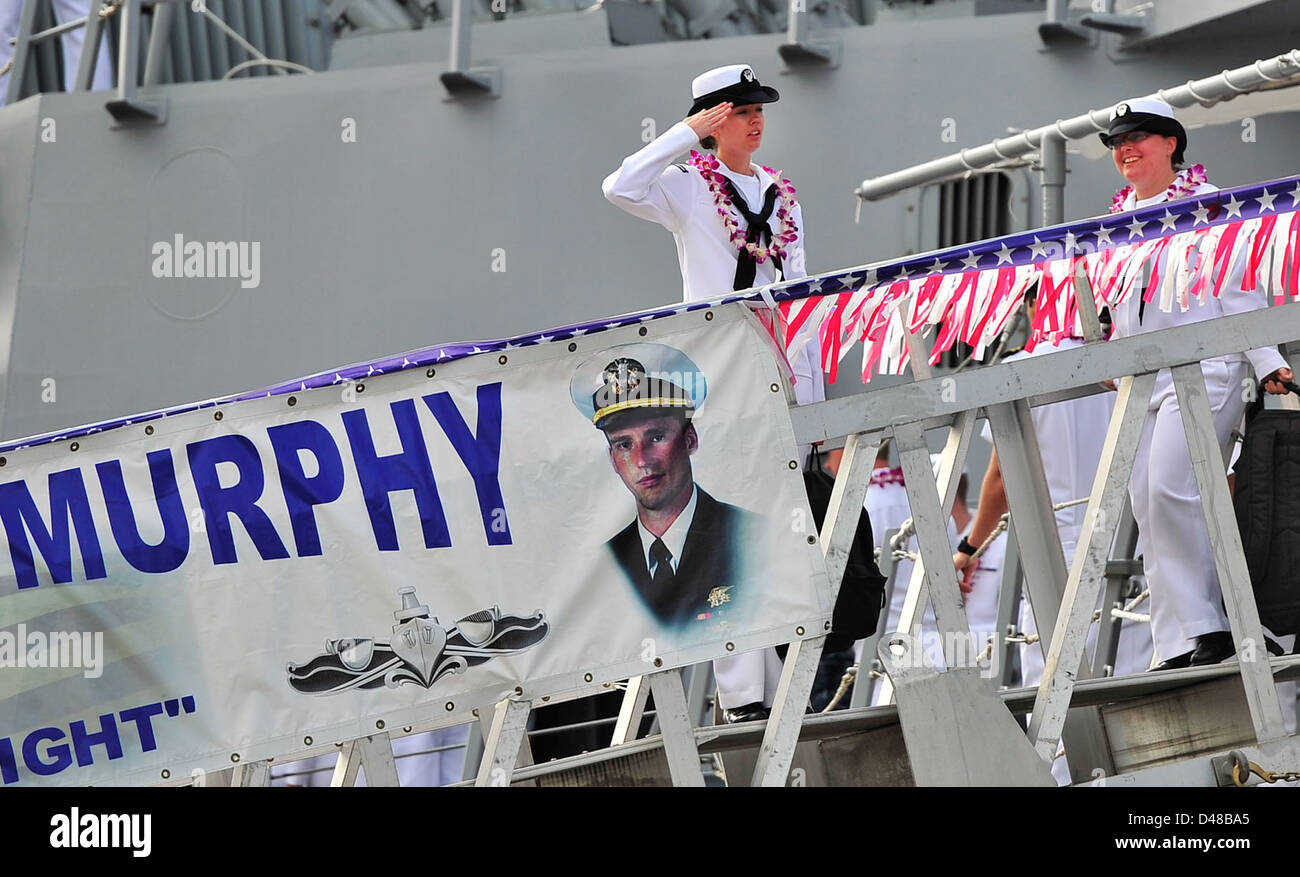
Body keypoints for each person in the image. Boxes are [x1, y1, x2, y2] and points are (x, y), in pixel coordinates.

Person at [603, 64, 822, 722]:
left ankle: (784, 672)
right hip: (722, 369)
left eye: (759, 110)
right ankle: (742, 690)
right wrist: (682, 134)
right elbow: (619, 185)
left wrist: (808, 384)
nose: (754, 121)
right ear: (713, 119)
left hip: (777, 364)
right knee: (726, 517)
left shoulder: (782, 195)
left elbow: (802, 286)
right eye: (739, 111)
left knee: (779, 518)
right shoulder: (687, 187)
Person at [1100, 98, 1293, 670]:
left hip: (1204, 369)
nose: (1126, 149)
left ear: (1171, 144)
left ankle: (1212, 624)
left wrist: (1265, 361)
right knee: (1145, 502)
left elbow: (1239, 289)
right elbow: (1112, 306)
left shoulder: (1207, 210)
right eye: (1117, 142)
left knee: (1172, 491)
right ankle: (1176, 640)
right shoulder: (1113, 221)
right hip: (1143, 379)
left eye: (1138, 136)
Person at [572, 347, 759, 629]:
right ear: (613, 459)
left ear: (690, 440)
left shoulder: (749, 536)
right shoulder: (606, 563)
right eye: (624, 444)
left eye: (656, 437)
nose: (642, 460)